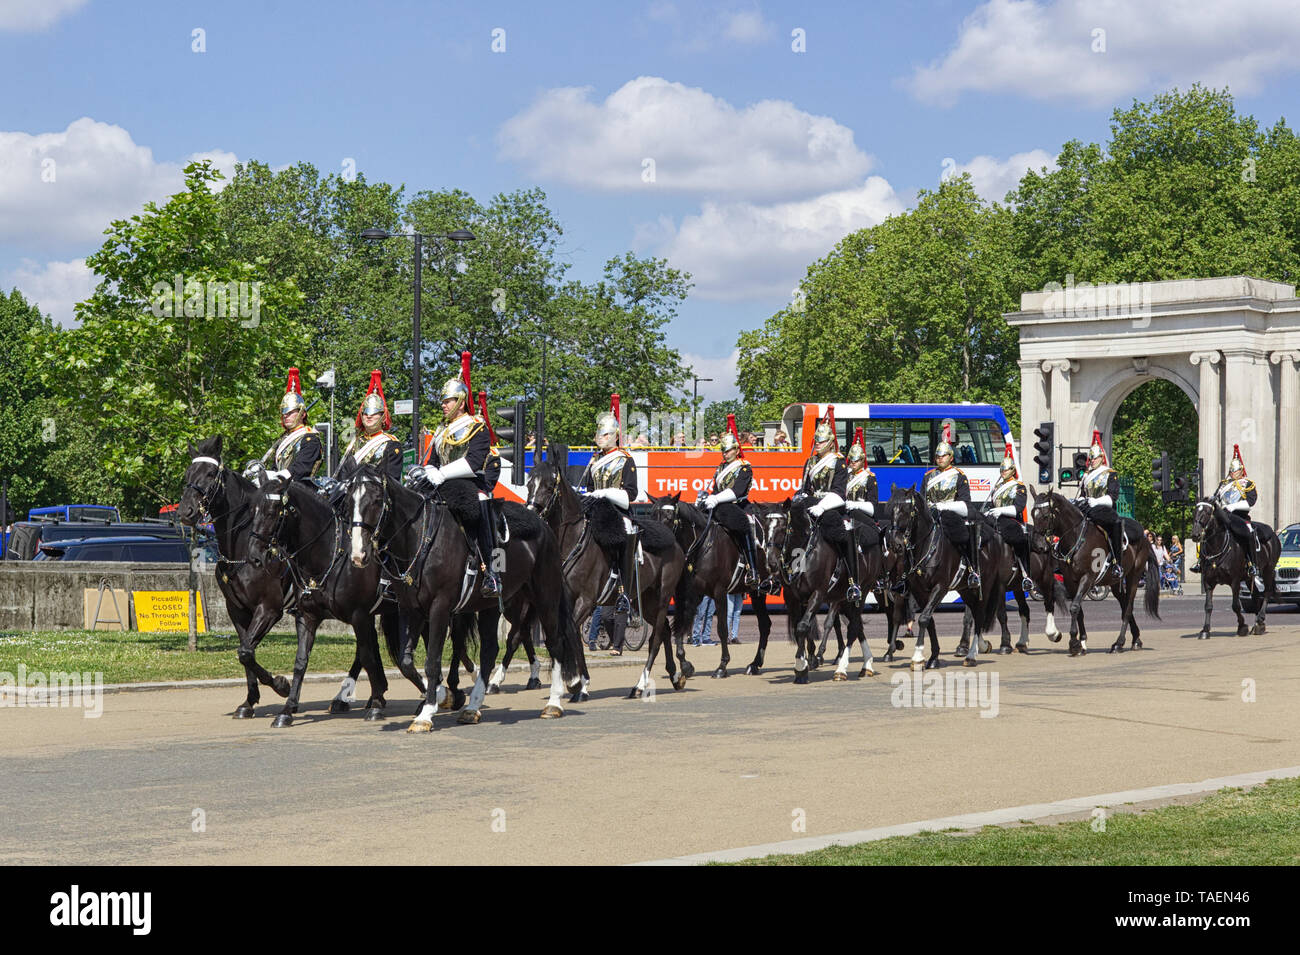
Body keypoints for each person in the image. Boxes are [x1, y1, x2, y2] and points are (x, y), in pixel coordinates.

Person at [416, 359, 503, 597]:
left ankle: (494, 574)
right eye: (443, 401)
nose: (444, 405)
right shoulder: (442, 430)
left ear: (461, 402)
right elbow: (432, 460)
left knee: (485, 507)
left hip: (470, 483)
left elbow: (474, 462)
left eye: (448, 401)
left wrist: (442, 473)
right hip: (441, 485)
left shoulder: (477, 426)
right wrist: (431, 471)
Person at [578, 396, 638, 615]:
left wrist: (604, 493)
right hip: (596, 510)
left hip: (618, 511)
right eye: (599, 434)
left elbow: (630, 494)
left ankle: (623, 590)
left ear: (615, 436)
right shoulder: (594, 461)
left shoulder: (625, 459)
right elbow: (588, 488)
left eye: (605, 435)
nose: (600, 438)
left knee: (627, 529)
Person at [793, 409, 860, 602]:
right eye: (816, 441)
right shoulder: (810, 462)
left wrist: (822, 507)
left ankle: (852, 582)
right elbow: (805, 487)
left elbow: (840, 493)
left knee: (845, 534)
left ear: (830, 442)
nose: (818, 444)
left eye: (821, 441)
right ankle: (791, 570)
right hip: (810, 503)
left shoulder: (838, 462)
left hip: (831, 506)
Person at [699, 415, 768, 591]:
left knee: (746, 526)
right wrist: (707, 498)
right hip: (721, 507)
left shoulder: (744, 467)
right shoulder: (720, 468)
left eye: (728, 450)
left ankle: (753, 569)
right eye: (723, 450)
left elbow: (737, 491)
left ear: (736, 450)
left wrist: (716, 498)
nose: (725, 453)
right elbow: (715, 490)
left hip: (740, 506)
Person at [1194, 445, 1263, 589]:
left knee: (1249, 533)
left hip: (1240, 516)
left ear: (1241, 470)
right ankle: (1201, 563)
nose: (1233, 473)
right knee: (1205, 532)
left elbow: (1251, 502)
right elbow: (1216, 498)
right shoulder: (1223, 485)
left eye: (1235, 470)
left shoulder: (1247, 484)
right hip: (1223, 517)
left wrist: (1233, 507)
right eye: (1231, 470)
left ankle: (1252, 565)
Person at [246, 367, 322, 484]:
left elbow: (301, 468)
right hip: (280, 488)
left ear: (302, 414)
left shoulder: (310, 438)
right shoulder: (284, 439)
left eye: (290, 413)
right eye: (284, 413)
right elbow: (276, 467)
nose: (286, 416)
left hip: (301, 490)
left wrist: (274, 477)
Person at [922, 438, 980, 587]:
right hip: (931, 516)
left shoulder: (959, 476)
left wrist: (944, 506)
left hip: (950, 516)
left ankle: (972, 570)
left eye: (944, 456)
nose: (940, 458)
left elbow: (965, 504)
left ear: (951, 457)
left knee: (963, 537)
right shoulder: (928, 476)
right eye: (938, 456)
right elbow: (923, 501)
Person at [1075, 429, 1125, 591]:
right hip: (1088, 508)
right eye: (1090, 459)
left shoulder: (1110, 474)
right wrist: (1081, 500)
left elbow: (1112, 497)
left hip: (1104, 509)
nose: (1091, 461)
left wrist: (1094, 501)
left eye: (1094, 458)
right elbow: (1082, 495)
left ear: (1101, 458)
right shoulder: (1086, 476)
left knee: (1116, 523)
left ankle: (1118, 562)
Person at [334, 370, 402, 485]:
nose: (369, 416)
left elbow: (391, 479)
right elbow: (343, 474)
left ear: (383, 417)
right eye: (365, 413)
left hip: (376, 495)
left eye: (374, 413)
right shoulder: (355, 442)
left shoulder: (391, 443)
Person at [982, 444, 1034, 592]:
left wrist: (1001, 510)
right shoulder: (997, 487)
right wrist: (989, 512)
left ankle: (1025, 574)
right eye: (1002, 470)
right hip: (996, 519)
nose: (1003, 472)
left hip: (1012, 520)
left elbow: (1019, 508)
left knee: (1018, 540)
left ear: (1013, 470)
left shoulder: (1019, 486)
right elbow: (992, 504)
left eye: (1006, 469)